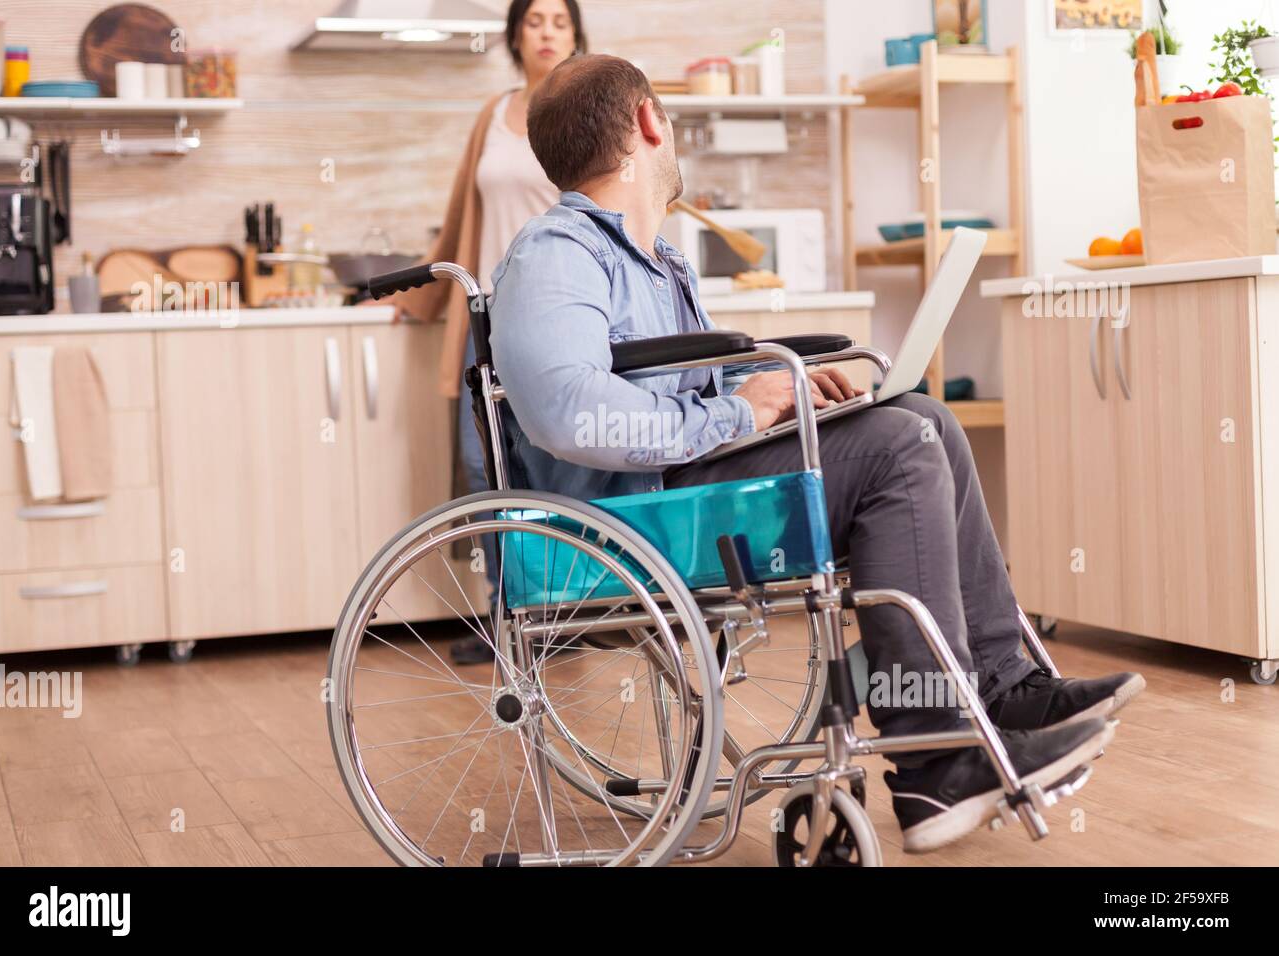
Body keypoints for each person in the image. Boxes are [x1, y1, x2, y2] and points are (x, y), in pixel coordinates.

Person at [485, 54, 1146, 853]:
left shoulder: (657, 263)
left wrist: (770, 383)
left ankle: (1003, 692)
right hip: (635, 517)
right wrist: (735, 409)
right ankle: (934, 758)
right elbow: (567, 413)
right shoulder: (555, 252)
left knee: (922, 418)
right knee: (899, 448)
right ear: (649, 122)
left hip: (683, 488)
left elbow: (676, 380)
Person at [375, 0, 588, 664]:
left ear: (576, 33)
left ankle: (556, 616)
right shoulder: (493, 116)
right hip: (484, 313)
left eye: (559, 20)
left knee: (547, 463)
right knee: (484, 465)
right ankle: (509, 617)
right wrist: (422, 295)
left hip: (552, 310)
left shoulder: (584, 108)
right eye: (534, 21)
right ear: (515, 36)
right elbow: (460, 212)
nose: (547, 31)